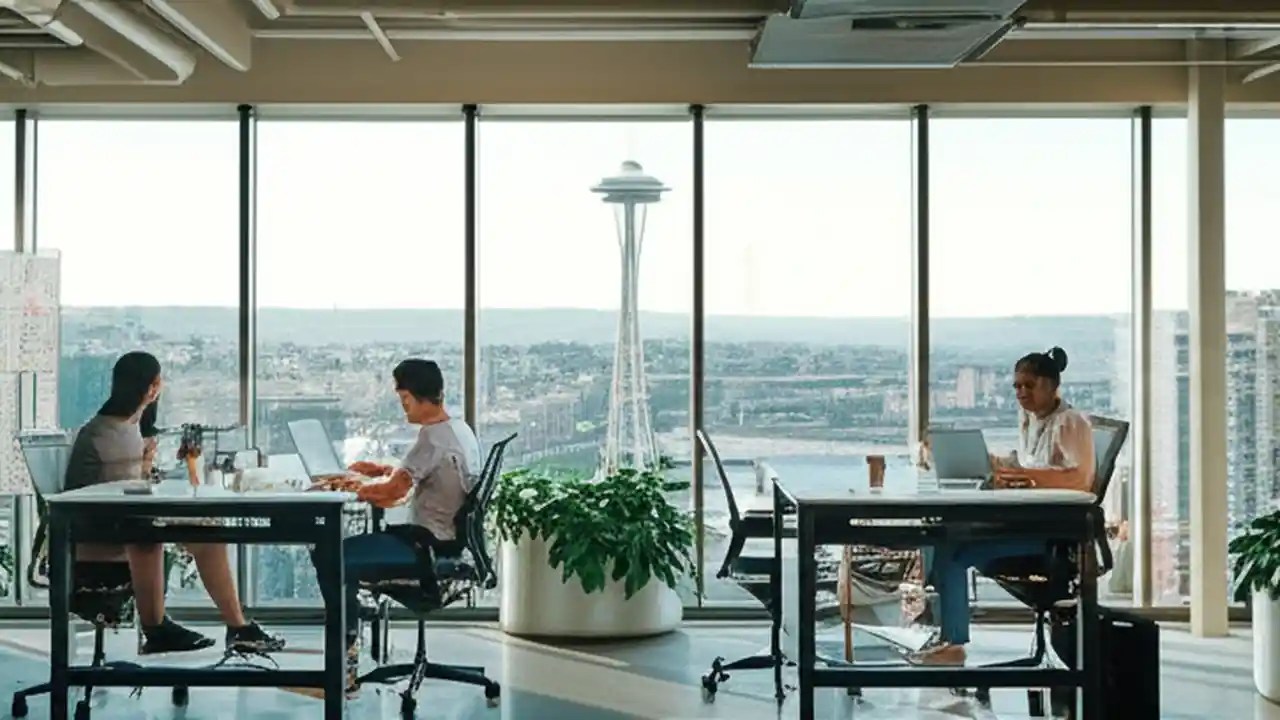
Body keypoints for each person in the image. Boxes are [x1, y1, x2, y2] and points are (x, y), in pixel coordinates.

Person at [65, 351, 284, 655]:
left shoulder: (120, 428)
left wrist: (146, 467)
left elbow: (129, 491)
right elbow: (122, 497)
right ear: (152, 388)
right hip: (98, 536)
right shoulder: (108, 434)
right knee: (153, 535)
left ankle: (233, 626)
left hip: (112, 524)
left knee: (205, 533)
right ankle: (163, 629)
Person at [914, 346, 1095, 665]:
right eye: (1016, 386)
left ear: (1051, 386)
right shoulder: (1031, 420)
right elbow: (1028, 465)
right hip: (1026, 523)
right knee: (943, 537)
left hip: (1048, 537)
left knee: (954, 553)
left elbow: (1080, 480)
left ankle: (953, 643)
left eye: (1029, 385)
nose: (1021, 392)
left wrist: (1022, 476)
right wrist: (991, 464)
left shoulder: (1069, 423)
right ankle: (945, 634)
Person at [309, 358, 481, 689]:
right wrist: (378, 471)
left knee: (330, 556)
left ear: (415, 397)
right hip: (445, 541)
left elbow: (394, 491)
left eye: (404, 400)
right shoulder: (458, 429)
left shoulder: (432, 437)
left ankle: (344, 663)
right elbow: (416, 475)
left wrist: (353, 485)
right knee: (341, 556)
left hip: (425, 547)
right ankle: (355, 625)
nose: (403, 408)